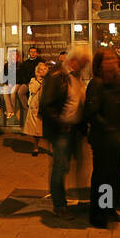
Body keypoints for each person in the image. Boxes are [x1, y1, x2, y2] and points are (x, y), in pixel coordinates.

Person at [39, 41, 94, 223]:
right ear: (74, 60)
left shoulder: (76, 76)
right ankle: (59, 205)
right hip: (62, 131)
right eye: (84, 61)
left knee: (79, 165)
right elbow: (46, 105)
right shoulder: (57, 76)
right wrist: (60, 123)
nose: (85, 65)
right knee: (60, 167)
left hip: (75, 130)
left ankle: (80, 200)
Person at [85, 49, 120, 225]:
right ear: (100, 64)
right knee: (102, 178)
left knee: (113, 177)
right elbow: (91, 112)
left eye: (113, 59)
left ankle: (109, 209)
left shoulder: (117, 83)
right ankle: (98, 214)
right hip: (103, 140)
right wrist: (109, 128)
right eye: (108, 59)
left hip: (116, 140)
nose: (112, 62)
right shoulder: (97, 84)